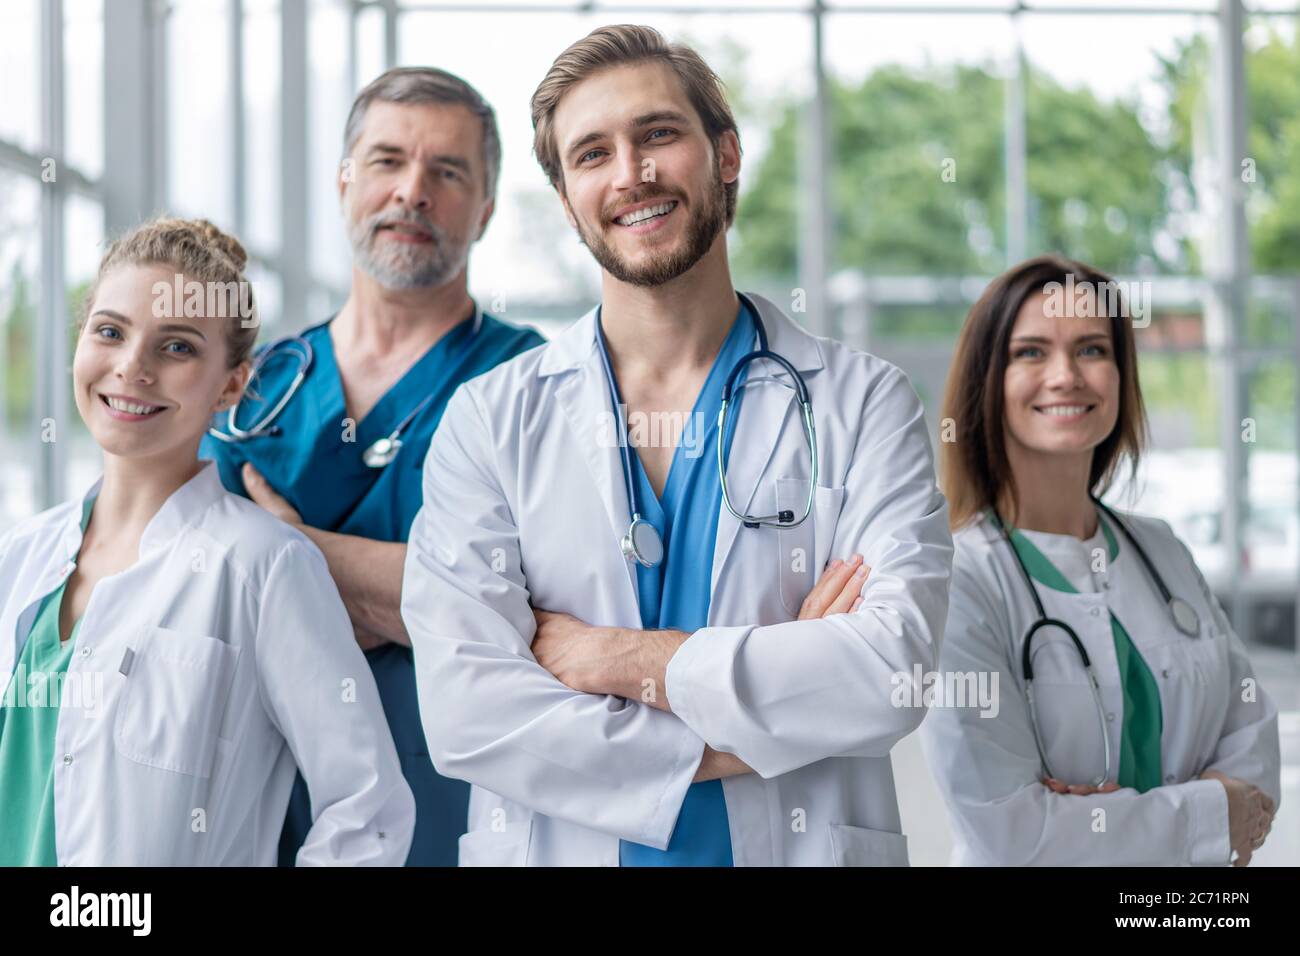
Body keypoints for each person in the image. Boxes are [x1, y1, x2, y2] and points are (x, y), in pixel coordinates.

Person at [402, 24, 953, 867]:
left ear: (725, 155)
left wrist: (609, 658)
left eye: (658, 134)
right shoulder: (491, 421)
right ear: (566, 200)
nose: (631, 174)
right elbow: (469, 714)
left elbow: (891, 670)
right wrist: (776, 713)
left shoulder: (862, 402)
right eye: (592, 154)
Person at [201, 67, 544, 866]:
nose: (413, 191)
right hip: (261, 808)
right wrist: (414, 594)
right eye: (388, 161)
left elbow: (526, 613)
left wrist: (291, 557)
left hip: (456, 814)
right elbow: (198, 592)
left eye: (448, 172)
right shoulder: (250, 388)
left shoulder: (533, 390)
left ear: (486, 208)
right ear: (345, 180)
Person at [0, 217, 414, 865]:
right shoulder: (20, 557)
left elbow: (369, 811)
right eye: (110, 331)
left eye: (177, 348)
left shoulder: (264, 566)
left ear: (231, 386)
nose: (132, 367)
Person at [920, 254, 1281, 866]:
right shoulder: (958, 580)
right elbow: (1013, 836)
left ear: (1120, 374)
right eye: (1031, 352)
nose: (1066, 376)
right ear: (989, 379)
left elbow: (1254, 741)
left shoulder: (1161, 549)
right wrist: (1208, 812)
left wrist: (1101, 821)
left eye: (1092, 350)